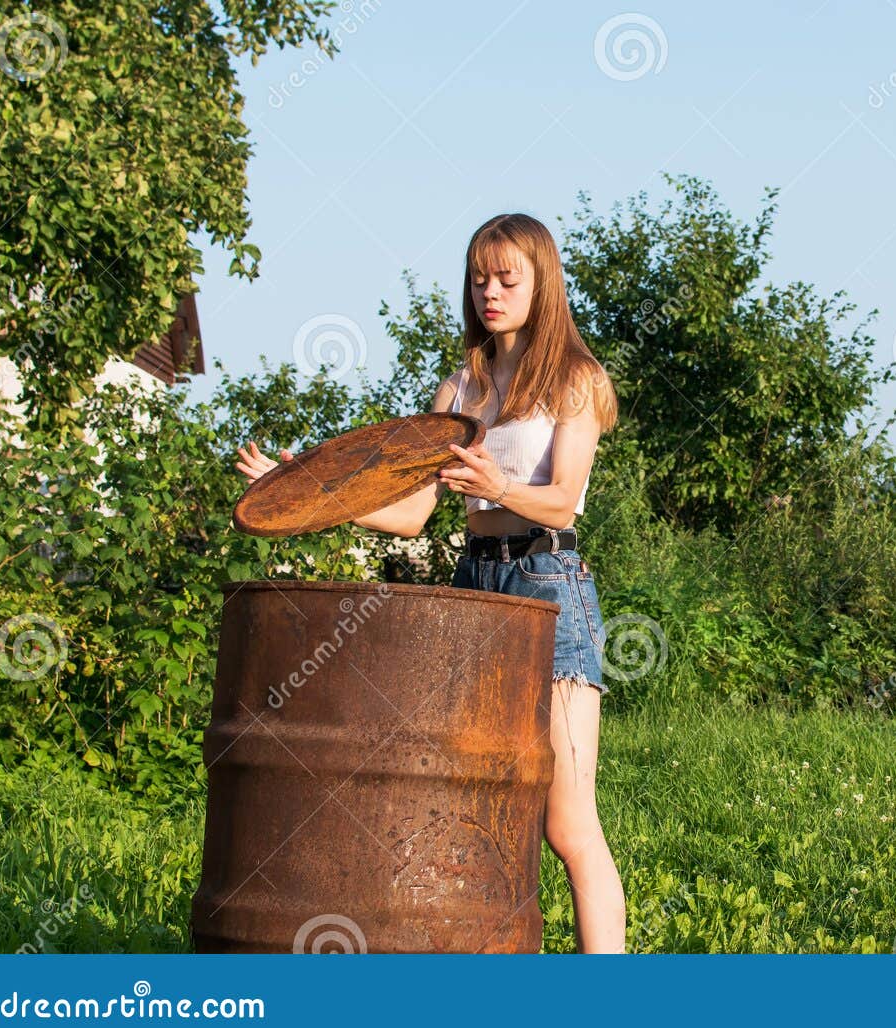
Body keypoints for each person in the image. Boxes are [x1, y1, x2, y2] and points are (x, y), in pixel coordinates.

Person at [234, 213, 626, 953]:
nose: (491, 292)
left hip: (549, 578)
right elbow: (414, 512)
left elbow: (564, 498)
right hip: (472, 586)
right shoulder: (459, 387)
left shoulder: (576, 379)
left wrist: (500, 483)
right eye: (480, 278)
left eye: (508, 278)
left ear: (543, 283)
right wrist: (305, 493)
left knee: (567, 821)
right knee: (469, 791)